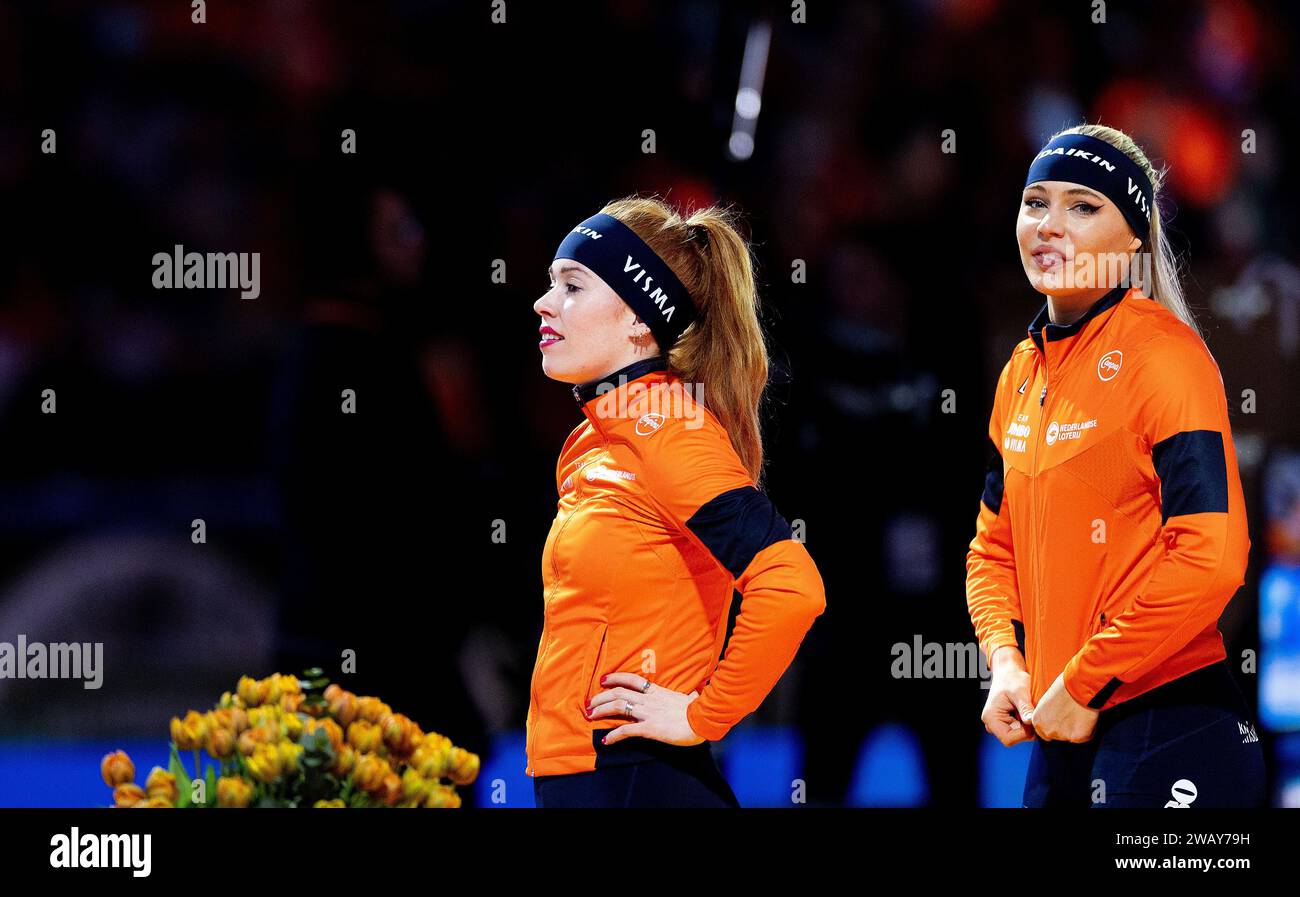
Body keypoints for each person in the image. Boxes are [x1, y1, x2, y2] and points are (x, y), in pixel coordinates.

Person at [966, 123, 1266, 808]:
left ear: (1133, 237)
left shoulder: (1166, 358)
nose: (1048, 225)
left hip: (1172, 726)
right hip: (1059, 732)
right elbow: (992, 548)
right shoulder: (1020, 373)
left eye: (1082, 206)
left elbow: (1212, 556)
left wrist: (1085, 680)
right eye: (1035, 202)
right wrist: (1007, 662)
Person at [527, 196, 827, 807]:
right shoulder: (602, 432)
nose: (544, 302)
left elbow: (792, 585)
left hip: (635, 778)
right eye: (551, 283)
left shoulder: (666, 426)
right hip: (591, 775)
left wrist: (701, 717)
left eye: (573, 285)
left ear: (639, 319)